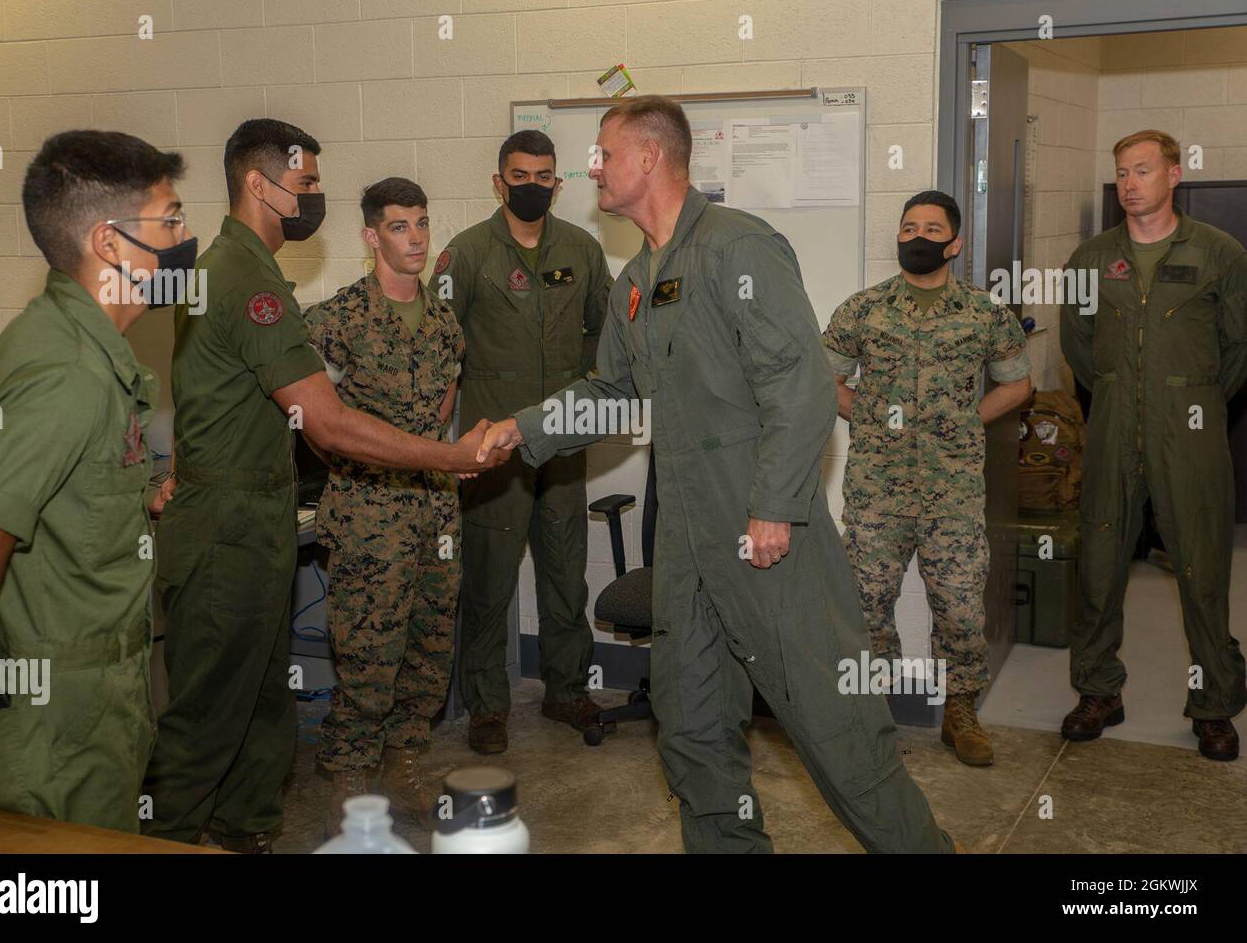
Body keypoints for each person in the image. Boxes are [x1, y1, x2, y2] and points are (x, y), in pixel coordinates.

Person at [478, 96, 954, 853]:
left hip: (767, 537)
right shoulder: (635, 278)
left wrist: (772, 509)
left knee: (836, 729)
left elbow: (799, 386)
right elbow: (613, 392)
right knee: (691, 725)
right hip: (687, 545)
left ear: (648, 158)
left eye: (603, 152)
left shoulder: (740, 247)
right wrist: (520, 429)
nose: (592, 168)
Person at [143, 120, 506, 852]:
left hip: (284, 513)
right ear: (260, 183)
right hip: (266, 521)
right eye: (306, 185)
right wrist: (446, 457)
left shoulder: (259, 277)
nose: (315, 199)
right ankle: (180, 832)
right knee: (224, 704)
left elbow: (209, 391)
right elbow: (326, 423)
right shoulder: (263, 288)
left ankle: (247, 828)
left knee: (272, 697)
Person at [0, 130, 193, 830]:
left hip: (94, 704)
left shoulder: (80, 346)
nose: (184, 239)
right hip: (53, 727)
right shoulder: (68, 375)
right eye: (170, 220)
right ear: (111, 244)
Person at [822, 189, 1032, 766]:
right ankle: (873, 716)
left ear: (955, 243)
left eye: (932, 230)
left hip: (954, 494)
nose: (917, 238)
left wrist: (969, 417)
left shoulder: (984, 313)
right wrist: (864, 411)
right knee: (865, 607)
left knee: (961, 610)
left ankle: (959, 712)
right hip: (876, 494)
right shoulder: (862, 309)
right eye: (908, 228)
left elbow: (1017, 384)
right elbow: (825, 378)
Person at [1060, 129, 1247, 761]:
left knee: (1201, 568)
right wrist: (1117, 393)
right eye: (1120, 173)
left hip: (1190, 431)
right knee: (1099, 566)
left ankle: (1214, 705)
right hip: (1113, 426)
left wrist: (1190, 397)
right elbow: (1079, 349)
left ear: (1173, 175)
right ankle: (1098, 691)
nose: (1129, 183)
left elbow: (1239, 349)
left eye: (1142, 170)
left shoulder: (1220, 253)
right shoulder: (1090, 259)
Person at [433, 130, 613, 753]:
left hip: (561, 442)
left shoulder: (584, 250)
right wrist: (441, 442)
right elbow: (437, 350)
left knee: (565, 575)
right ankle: (487, 707)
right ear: (498, 181)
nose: (530, 186)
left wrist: (583, 388)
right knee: (489, 578)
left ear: (557, 183)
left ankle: (566, 691)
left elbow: (607, 335)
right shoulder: (467, 254)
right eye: (519, 175)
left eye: (543, 176)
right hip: (492, 450)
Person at [304, 178, 463, 834]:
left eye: (422, 223)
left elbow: (445, 405)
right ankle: (349, 769)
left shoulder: (445, 320)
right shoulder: (334, 323)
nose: (417, 237)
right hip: (370, 518)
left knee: (428, 653)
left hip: (436, 515)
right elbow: (316, 425)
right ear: (371, 237)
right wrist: (358, 471)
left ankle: (405, 761)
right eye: (400, 226)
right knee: (368, 657)